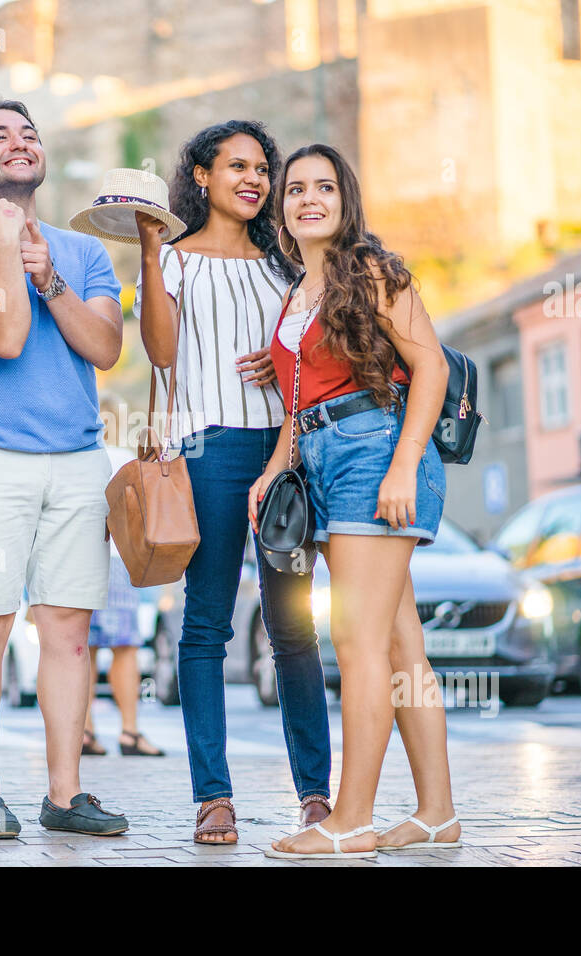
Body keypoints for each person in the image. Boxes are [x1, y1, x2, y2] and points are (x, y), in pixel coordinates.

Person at [250, 144, 460, 859]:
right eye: (296, 189)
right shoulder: (296, 294)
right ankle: (437, 813)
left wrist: (403, 466)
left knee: (357, 643)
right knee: (402, 647)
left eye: (325, 188)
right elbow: (299, 402)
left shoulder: (369, 269)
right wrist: (274, 468)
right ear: (282, 208)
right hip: (327, 459)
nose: (309, 198)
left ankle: (352, 819)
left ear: (346, 201)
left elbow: (429, 363)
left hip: (377, 453)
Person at [0, 99, 130, 840]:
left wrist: (50, 279)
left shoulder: (86, 254)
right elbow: (7, 339)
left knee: (70, 634)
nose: (20, 143)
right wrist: (6, 244)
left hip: (77, 460)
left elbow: (106, 349)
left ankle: (65, 794)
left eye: (29, 133)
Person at [135, 121, 333, 845]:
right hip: (208, 449)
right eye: (236, 167)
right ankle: (212, 797)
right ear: (200, 175)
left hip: (287, 454)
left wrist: (279, 363)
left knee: (294, 627)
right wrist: (152, 254)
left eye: (261, 168)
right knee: (207, 626)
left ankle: (316, 796)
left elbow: (314, 348)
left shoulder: (286, 266)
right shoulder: (175, 263)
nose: (253, 179)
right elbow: (160, 353)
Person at [83, 393, 165, 759]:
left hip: (79, 561)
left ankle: (84, 730)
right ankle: (129, 731)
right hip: (118, 560)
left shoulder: (82, 457)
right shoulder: (126, 460)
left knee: (81, 649)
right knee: (125, 648)